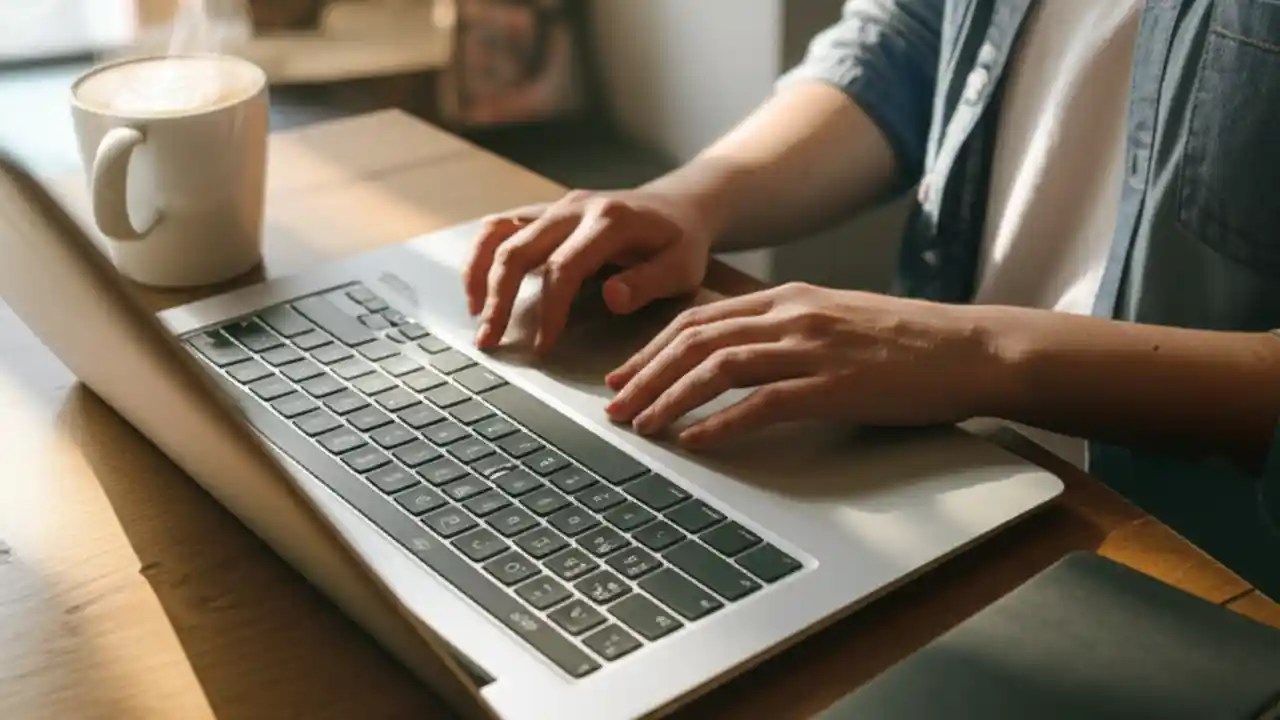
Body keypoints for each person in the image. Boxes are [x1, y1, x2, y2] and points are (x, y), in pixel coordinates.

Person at [461, 1, 1280, 592]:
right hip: (950, 469)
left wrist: (983, 354)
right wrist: (697, 197)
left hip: (1193, 556)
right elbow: (910, 41)